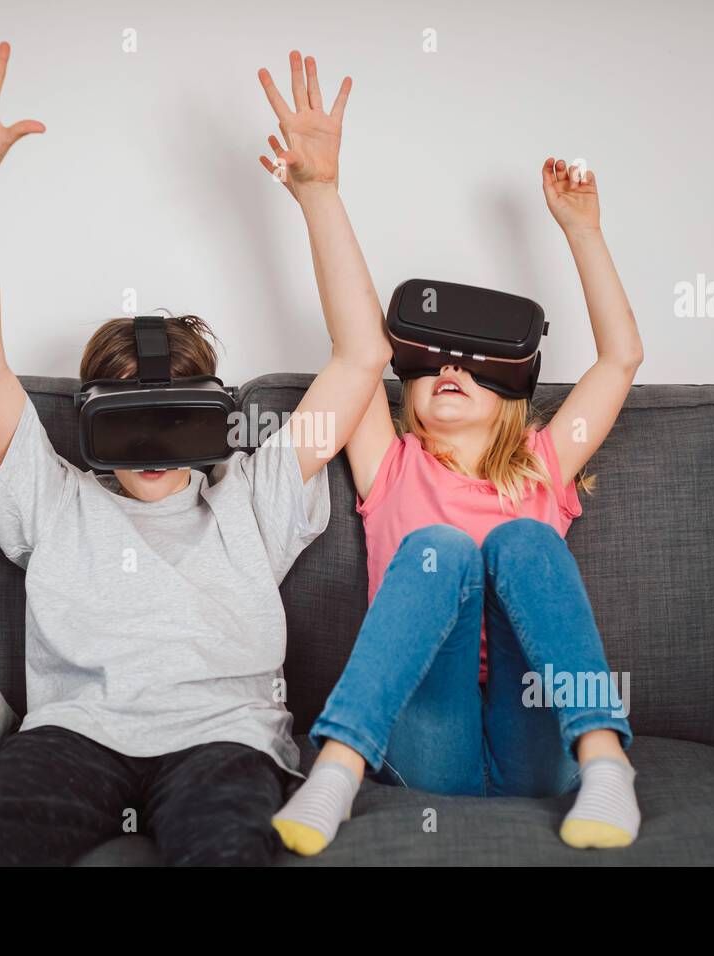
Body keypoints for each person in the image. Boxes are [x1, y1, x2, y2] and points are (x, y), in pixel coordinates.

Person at [0, 38, 388, 865]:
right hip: (73, 738)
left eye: (176, 421)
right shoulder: (52, 499)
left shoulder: (253, 494)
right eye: (129, 423)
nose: (154, 448)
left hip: (225, 742)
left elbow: (361, 361)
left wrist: (320, 195)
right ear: (89, 424)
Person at [272, 157, 645, 856]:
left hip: (534, 731)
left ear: (512, 395)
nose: (451, 368)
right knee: (438, 547)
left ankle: (606, 763)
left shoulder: (542, 465)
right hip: (427, 735)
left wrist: (582, 230)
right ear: (407, 392)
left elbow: (620, 358)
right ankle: (336, 770)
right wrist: (320, 193)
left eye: (476, 364)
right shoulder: (389, 465)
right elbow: (355, 344)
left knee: (524, 543)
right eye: (436, 362)